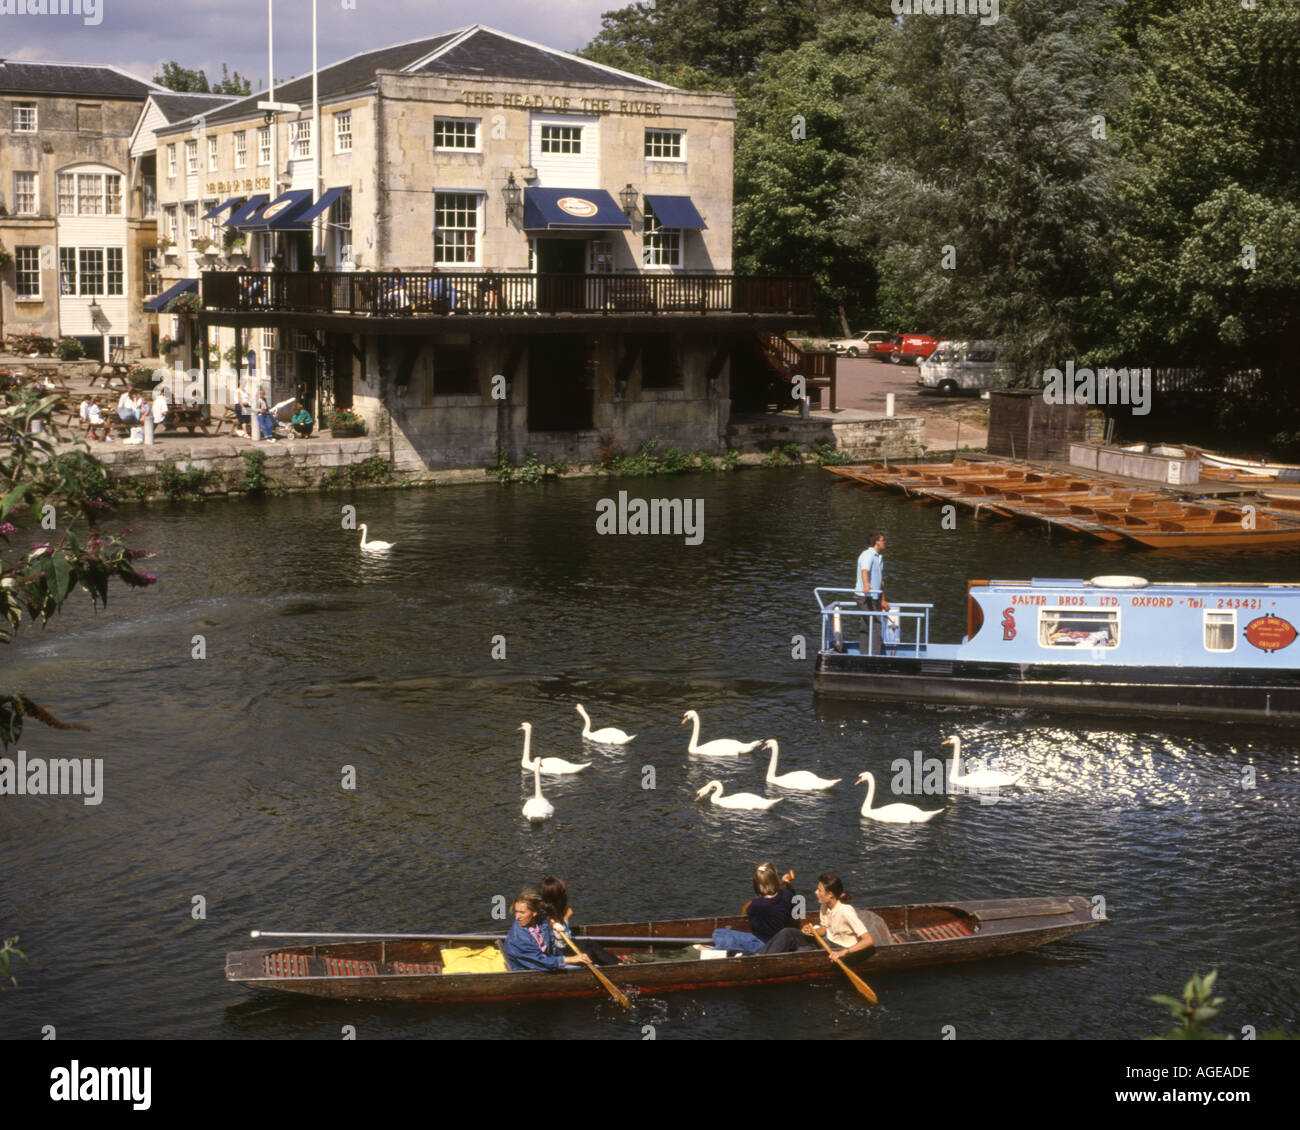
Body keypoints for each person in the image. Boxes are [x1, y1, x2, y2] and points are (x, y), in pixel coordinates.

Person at [759, 872, 889, 959]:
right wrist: (812, 931)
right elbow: (825, 928)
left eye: (819, 890)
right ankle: (758, 957)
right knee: (787, 932)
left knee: (800, 953)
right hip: (825, 942)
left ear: (830, 894)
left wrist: (843, 952)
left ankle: (760, 960)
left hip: (839, 948)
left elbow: (868, 940)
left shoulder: (846, 911)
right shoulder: (824, 905)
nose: (815, 892)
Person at [708, 863, 799, 955]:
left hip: (762, 944)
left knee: (718, 933)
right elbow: (794, 898)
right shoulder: (787, 896)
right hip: (779, 943)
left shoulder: (755, 905)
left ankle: (720, 952)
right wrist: (788, 884)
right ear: (775, 880)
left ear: (756, 886)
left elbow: (751, 920)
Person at [539, 875, 620, 967]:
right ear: (559, 897)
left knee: (589, 943)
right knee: (589, 951)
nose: (567, 895)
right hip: (557, 957)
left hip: (560, 951)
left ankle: (618, 964)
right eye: (564, 892)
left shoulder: (551, 911)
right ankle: (616, 966)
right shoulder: (545, 918)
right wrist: (565, 919)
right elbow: (562, 943)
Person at [503, 891, 593, 972]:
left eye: (522, 912)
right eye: (516, 911)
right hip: (532, 971)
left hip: (549, 962)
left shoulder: (541, 921)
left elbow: (553, 948)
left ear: (534, 913)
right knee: (590, 969)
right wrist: (570, 959)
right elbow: (540, 962)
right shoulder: (518, 938)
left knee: (590, 949)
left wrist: (558, 938)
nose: (517, 917)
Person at [855, 531, 890, 656]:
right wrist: (866, 585)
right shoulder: (868, 555)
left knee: (866, 624)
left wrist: (882, 600)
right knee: (875, 625)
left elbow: (881, 582)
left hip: (874, 597)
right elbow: (864, 571)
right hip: (864, 596)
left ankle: (864, 654)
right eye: (883, 540)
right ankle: (874, 656)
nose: (885, 542)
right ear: (877, 542)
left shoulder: (878, 557)